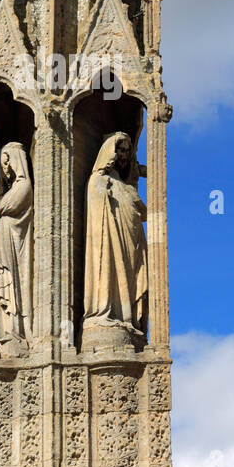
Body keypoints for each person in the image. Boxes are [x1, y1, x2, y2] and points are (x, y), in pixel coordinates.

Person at [83, 131, 148, 337]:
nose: (123, 155)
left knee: (128, 278)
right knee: (109, 271)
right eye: (120, 150)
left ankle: (126, 316)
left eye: (127, 151)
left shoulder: (124, 185)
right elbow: (96, 214)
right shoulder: (99, 180)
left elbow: (144, 212)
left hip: (130, 242)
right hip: (108, 241)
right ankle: (105, 311)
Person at [0, 141, 33, 350]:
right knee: (0, 288)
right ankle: (2, 331)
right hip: (2, 245)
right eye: (3, 164)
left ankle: (14, 331)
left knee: (10, 288)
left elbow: (1, 208)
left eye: (7, 162)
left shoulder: (23, 187)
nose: (5, 168)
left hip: (12, 248)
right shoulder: (13, 189)